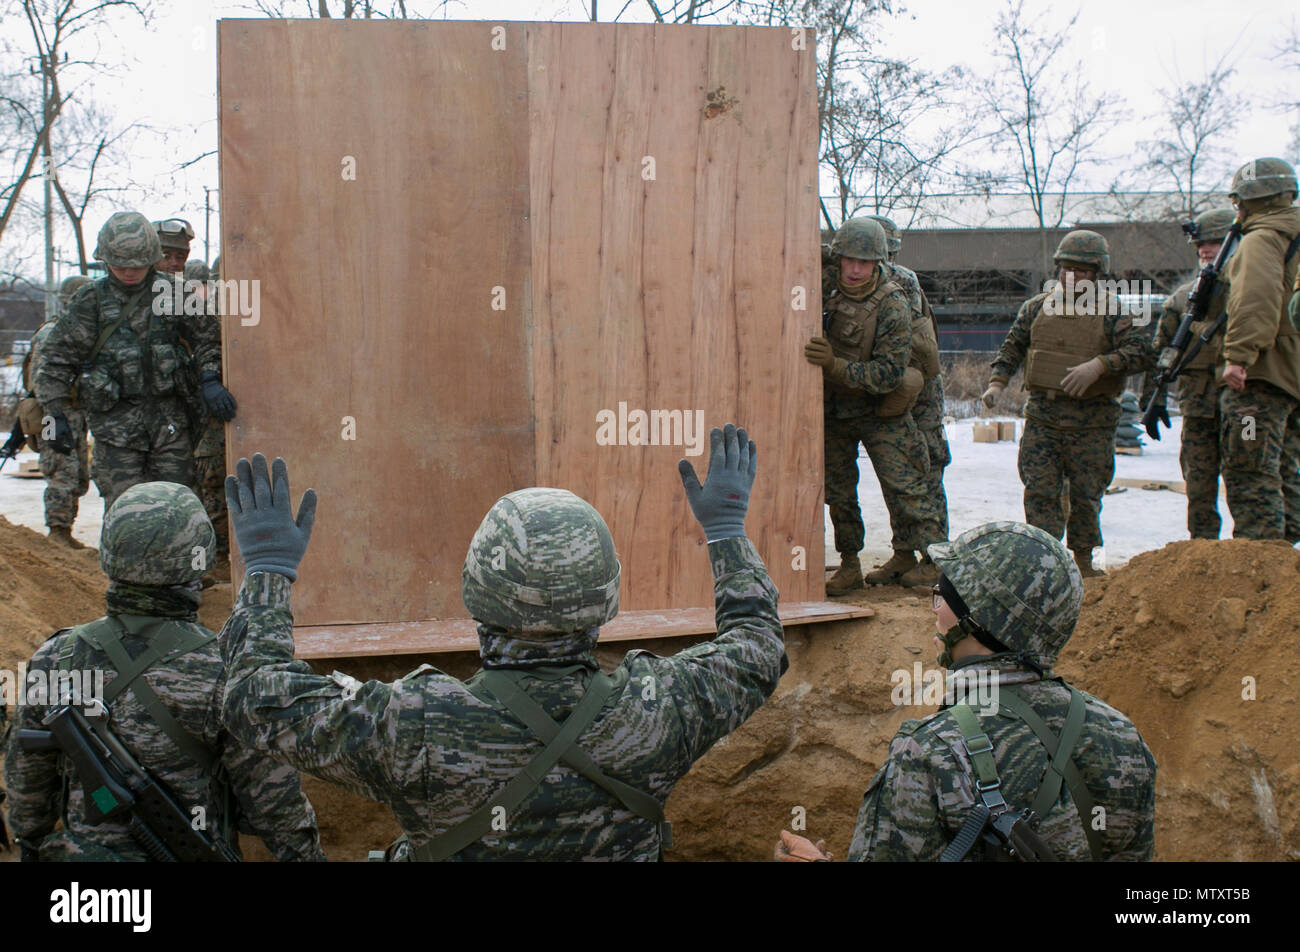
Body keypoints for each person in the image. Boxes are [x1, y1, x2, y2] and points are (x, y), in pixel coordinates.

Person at [219, 425, 786, 861]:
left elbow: (251, 695)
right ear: (606, 598)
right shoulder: (664, 709)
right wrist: (727, 534)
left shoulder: (413, 725)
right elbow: (757, 646)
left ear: (475, 591)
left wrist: (269, 572)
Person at [776, 521, 1157, 862]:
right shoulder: (1122, 736)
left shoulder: (931, 752)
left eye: (941, 596)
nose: (934, 608)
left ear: (975, 621)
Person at [3, 481, 326, 862]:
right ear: (199, 560)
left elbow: (28, 782)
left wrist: (31, 840)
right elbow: (273, 805)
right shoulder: (222, 669)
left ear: (109, 554)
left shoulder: (55, 657)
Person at [34, 211, 236, 515]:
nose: (129, 272)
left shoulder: (174, 292)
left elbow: (208, 338)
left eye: (137, 265)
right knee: (124, 513)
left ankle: (187, 563)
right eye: (120, 265)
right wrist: (55, 413)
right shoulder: (90, 301)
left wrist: (209, 377)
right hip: (116, 430)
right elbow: (56, 361)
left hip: (171, 424)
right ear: (106, 260)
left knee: (180, 508)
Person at [982, 230, 1150, 577]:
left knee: (1087, 496)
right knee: (1040, 492)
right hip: (1044, 417)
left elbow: (1142, 352)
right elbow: (1012, 347)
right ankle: (1044, 562)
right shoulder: (1037, 307)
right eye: (1065, 269)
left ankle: (1085, 562)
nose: (1071, 277)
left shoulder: (1115, 311)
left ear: (1098, 273)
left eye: (1082, 271)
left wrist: (1100, 365)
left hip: (1092, 421)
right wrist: (997, 383)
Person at [810, 218, 936, 595]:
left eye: (864, 263)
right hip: (836, 411)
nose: (854, 269)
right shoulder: (828, 281)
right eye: (848, 260)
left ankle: (932, 561)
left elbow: (888, 374)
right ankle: (849, 564)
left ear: (879, 263)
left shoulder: (893, 304)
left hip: (880, 410)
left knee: (907, 485)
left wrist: (833, 365)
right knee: (839, 492)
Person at [1217, 157, 1300, 541]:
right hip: (1293, 378)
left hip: (1260, 380)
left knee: (1249, 465)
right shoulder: (1292, 236)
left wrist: (1237, 357)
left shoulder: (1261, 239)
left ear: (1250, 202)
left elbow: (1255, 301)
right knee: (1285, 467)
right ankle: (1286, 566)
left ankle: (1260, 564)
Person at [865, 215, 949, 586]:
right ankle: (903, 552)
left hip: (920, 395)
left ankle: (936, 558)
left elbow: (903, 346)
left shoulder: (900, 280)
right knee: (895, 473)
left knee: (926, 472)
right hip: (893, 391)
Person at [1142, 208, 1236, 539]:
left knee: (1249, 479)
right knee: (1198, 482)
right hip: (1197, 409)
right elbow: (1160, 354)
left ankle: (1257, 555)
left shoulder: (1252, 291)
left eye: (1213, 242)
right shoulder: (1183, 299)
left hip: (1246, 410)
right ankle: (1202, 550)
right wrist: (1152, 400)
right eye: (1199, 245)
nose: (1205, 250)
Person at [18, 275, 94, 546]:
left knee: (76, 474)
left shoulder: (76, 330)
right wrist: (55, 414)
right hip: (53, 412)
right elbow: (41, 380)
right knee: (62, 469)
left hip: (74, 413)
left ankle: (65, 529)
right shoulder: (54, 332)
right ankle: (58, 530)